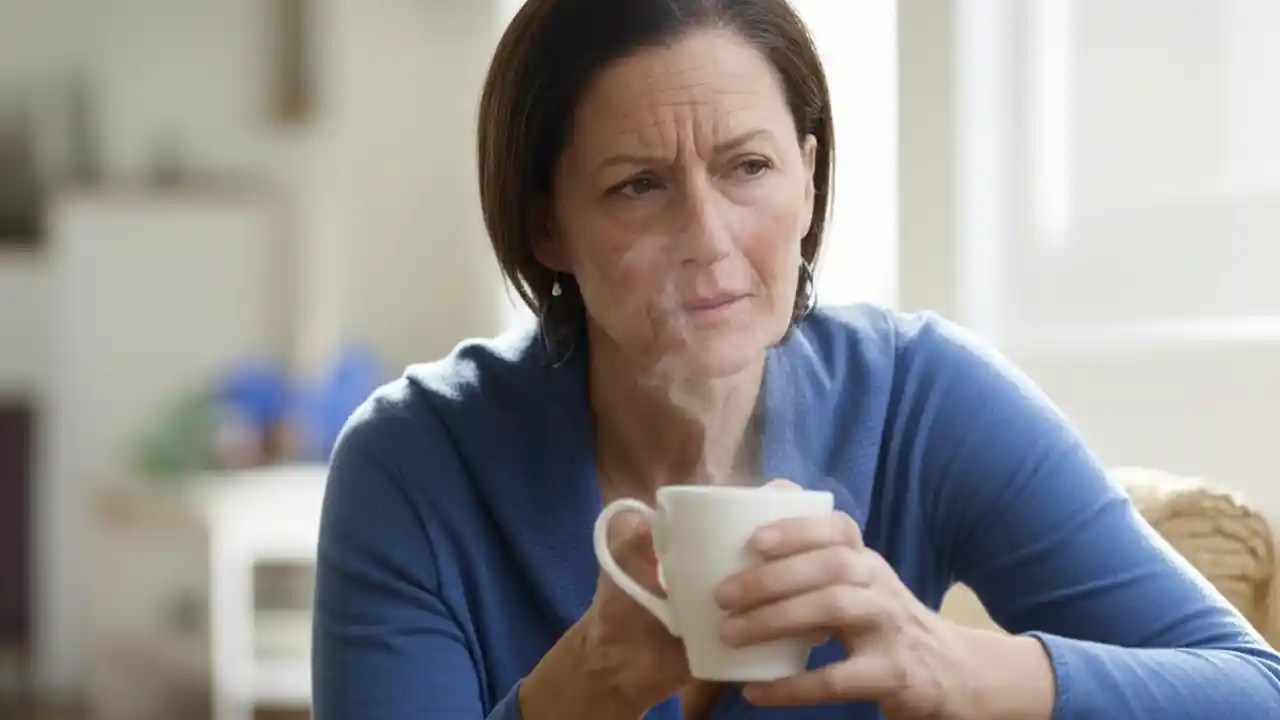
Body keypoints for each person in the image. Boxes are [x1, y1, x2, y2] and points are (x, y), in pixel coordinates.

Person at [311, 1, 1280, 718]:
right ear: (546, 226)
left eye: (747, 167)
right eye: (638, 185)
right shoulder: (415, 463)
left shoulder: (918, 398)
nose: (709, 239)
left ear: (808, 178)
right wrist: (588, 685)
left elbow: (1251, 690)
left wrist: (950, 666)